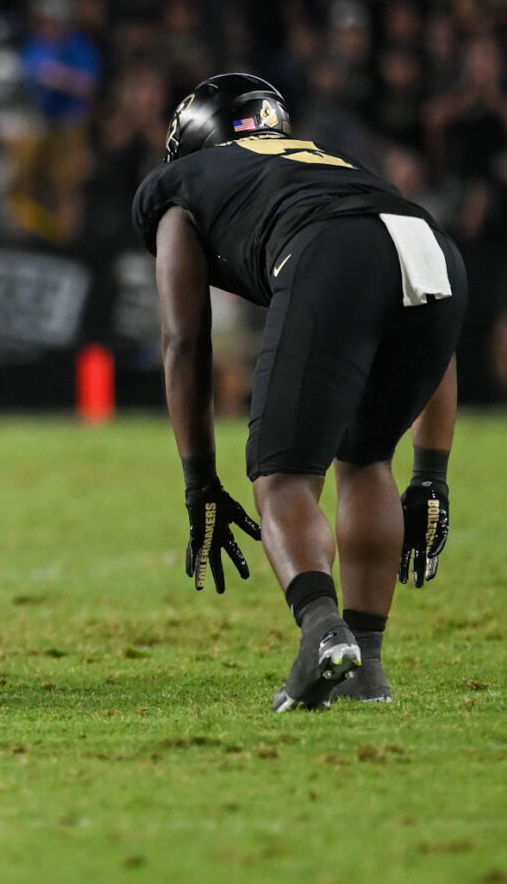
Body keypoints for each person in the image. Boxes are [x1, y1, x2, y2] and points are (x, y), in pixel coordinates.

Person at [132, 73, 464, 712]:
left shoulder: (181, 187)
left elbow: (183, 342)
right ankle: (367, 669)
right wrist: (433, 472)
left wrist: (200, 480)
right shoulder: (331, 161)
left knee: (283, 477)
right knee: (367, 457)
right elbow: (428, 303)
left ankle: (321, 629)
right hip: (432, 247)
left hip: (332, 252)